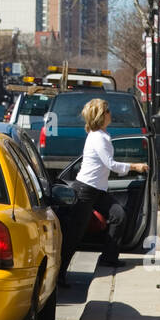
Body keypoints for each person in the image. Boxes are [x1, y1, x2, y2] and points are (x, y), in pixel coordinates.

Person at [62, 98, 150, 283]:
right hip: (86, 190)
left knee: (118, 216)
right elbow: (110, 164)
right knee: (74, 235)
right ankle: (59, 274)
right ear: (101, 116)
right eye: (107, 111)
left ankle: (109, 258)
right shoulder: (98, 138)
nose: (110, 113)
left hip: (98, 190)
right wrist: (135, 166)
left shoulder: (101, 135)